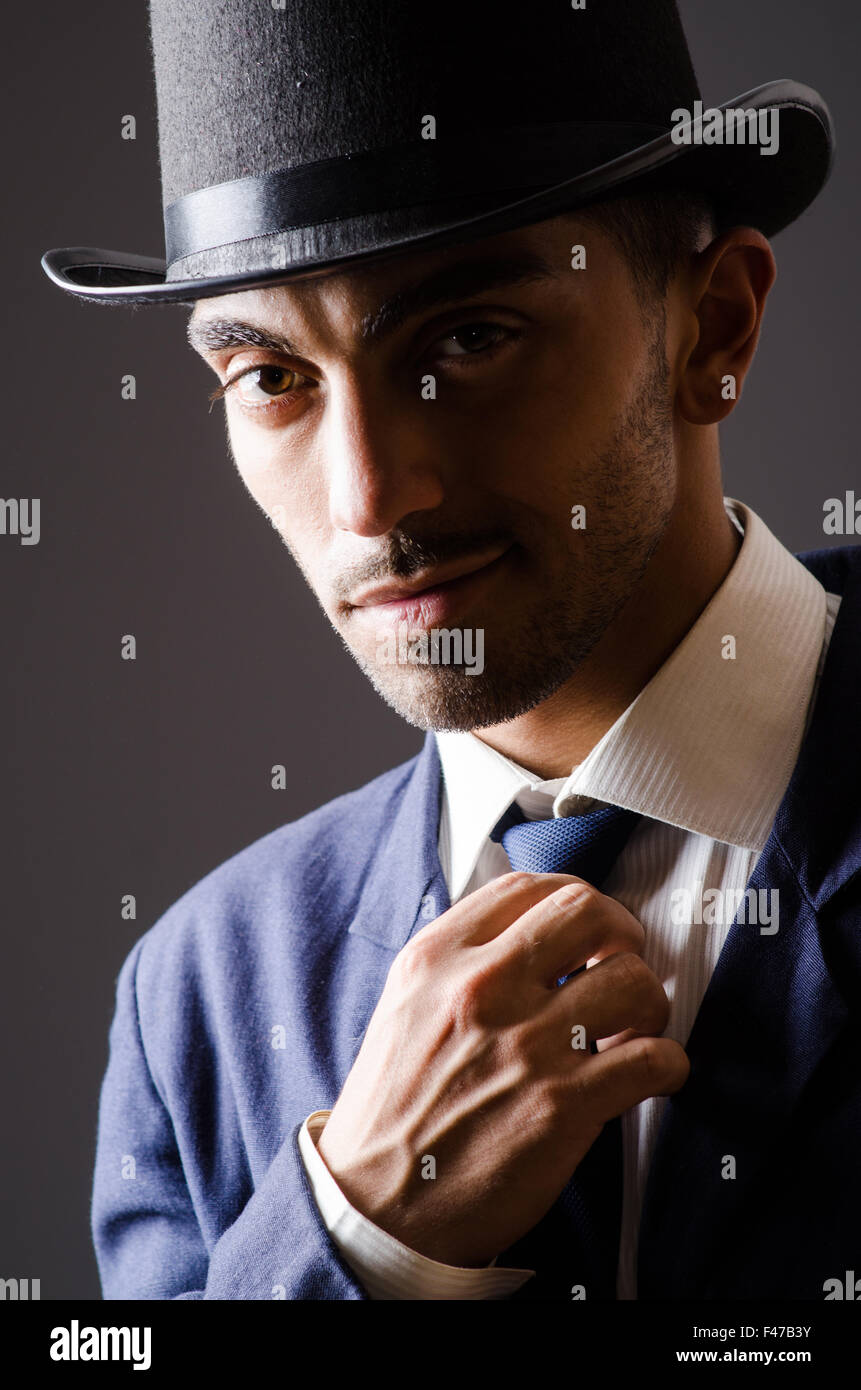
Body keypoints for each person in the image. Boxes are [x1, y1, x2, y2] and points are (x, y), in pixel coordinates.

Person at [43, 0, 860, 1301]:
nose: (371, 500)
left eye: (468, 339)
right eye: (269, 377)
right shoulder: (196, 996)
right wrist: (354, 1236)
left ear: (712, 330)